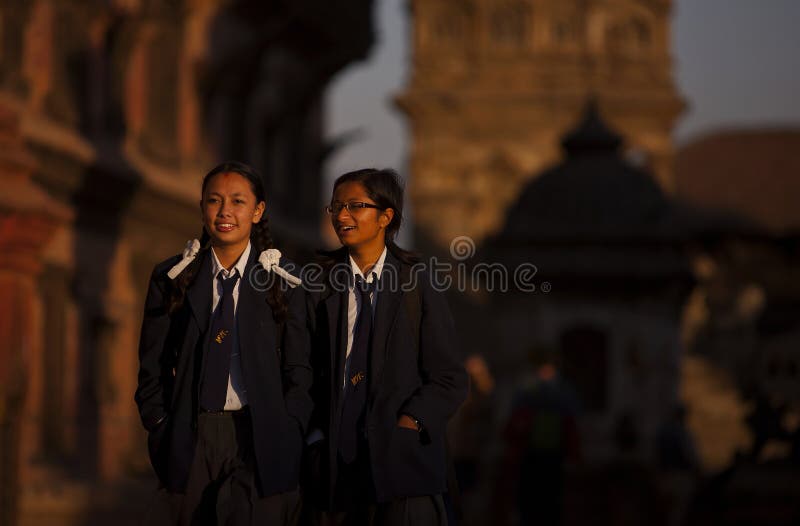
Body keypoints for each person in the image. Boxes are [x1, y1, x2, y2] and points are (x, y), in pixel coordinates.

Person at [135, 161, 312, 525]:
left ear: (258, 211)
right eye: (214, 200)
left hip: (261, 435)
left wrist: (290, 429)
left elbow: (300, 369)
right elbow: (152, 364)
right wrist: (159, 424)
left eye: (238, 201)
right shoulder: (172, 277)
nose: (225, 211)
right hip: (190, 433)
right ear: (202, 207)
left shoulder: (286, 281)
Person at [302, 168, 468, 526]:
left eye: (355, 206)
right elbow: (301, 372)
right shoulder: (316, 285)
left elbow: (450, 378)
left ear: (385, 217)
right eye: (336, 206)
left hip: (403, 473)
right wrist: (313, 437)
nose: (341, 216)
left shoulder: (417, 285)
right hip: (333, 474)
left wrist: (410, 424)